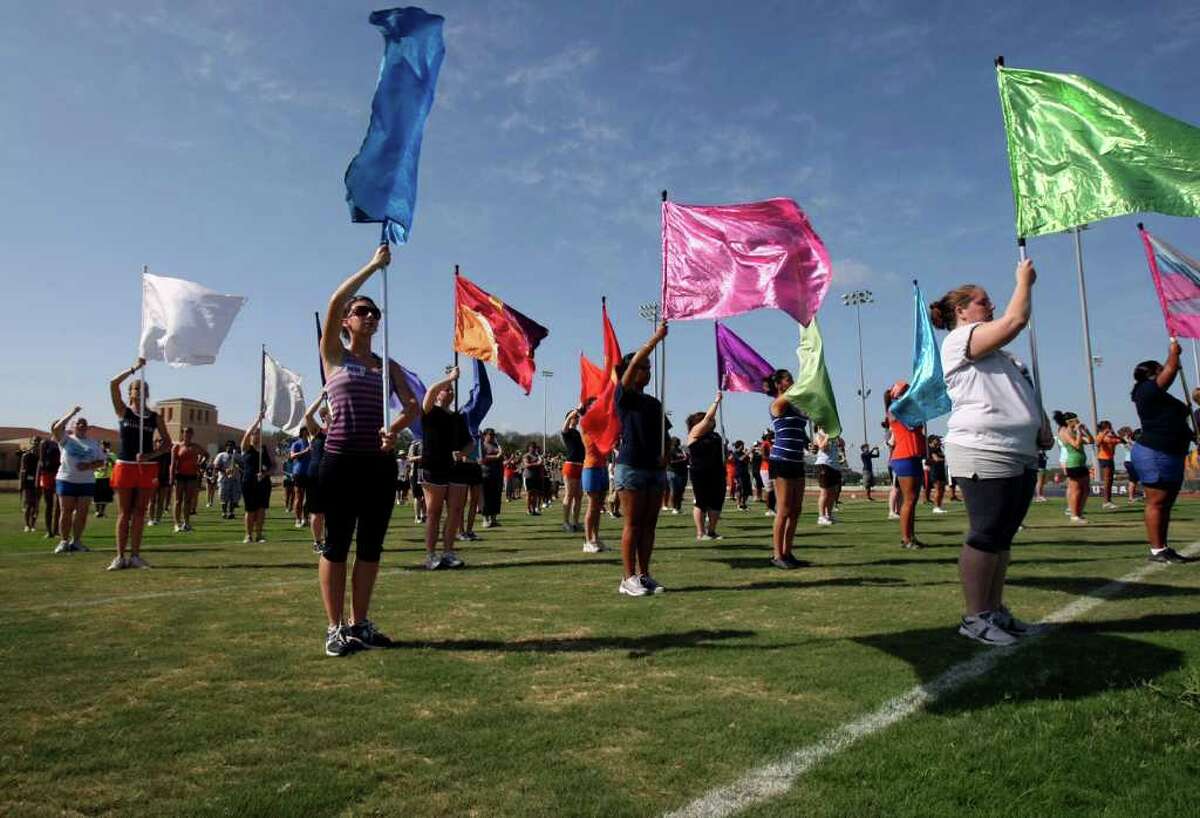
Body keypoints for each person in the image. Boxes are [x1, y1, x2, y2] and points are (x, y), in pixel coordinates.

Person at [931, 258, 1052, 646]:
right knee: (986, 533)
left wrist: (1042, 424)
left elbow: (1022, 393)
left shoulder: (1006, 357)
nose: (992, 306)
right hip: (983, 446)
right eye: (982, 302)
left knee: (1003, 535)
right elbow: (1015, 321)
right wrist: (1024, 281)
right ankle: (975, 616)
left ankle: (994, 610)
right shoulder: (958, 341)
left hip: (1019, 449)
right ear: (960, 311)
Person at [317, 245, 419, 656]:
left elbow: (413, 406)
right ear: (346, 322)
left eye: (375, 312)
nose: (371, 316)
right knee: (337, 544)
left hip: (378, 465)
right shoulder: (334, 355)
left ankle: (360, 623)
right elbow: (335, 300)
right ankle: (334, 627)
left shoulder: (386, 366)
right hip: (339, 461)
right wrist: (374, 266)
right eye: (363, 311)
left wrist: (394, 429)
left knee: (371, 547)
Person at [614, 322, 670, 596]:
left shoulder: (654, 403)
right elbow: (635, 360)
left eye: (649, 369)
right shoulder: (624, 396)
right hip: (631, 466)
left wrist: (666, 457)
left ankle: (645, 574)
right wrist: (655, 339)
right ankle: (628, 578)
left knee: (649, 525)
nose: (647, 372)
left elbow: (667, 436)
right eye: (642, 368)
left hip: (653, 468)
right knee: (633, 524)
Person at [1130, 342, 1196, 564]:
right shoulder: (1145, 390)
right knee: (1157, 502)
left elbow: (1173, 420)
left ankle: (1163, 547)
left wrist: (1191, 435)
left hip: (1172, 452)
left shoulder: (1158, 397)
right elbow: (1169, 373)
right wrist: (1173, 355)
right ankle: (1157, 550)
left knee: (1166, 502)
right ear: (1152, 373)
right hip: (1156, 452)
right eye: (1160, 368)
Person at [108, 358, 171, 570]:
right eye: (136, 388)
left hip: (145, 467)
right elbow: (112, 384)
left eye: (144, 388)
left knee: (140, 512)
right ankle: (119, 556)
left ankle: (135, 556)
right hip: (125, 465)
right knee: (124, 512)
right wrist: (134, 368)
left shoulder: (154, 417)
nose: (140, 390)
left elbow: (168, 444)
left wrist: (151, 455)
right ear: (130, 392)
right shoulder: (123, 411)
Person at [420, 367, 472, 570]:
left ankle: (448, 552)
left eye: (452, 390)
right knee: (434, 511)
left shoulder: (457, 418)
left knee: (456, 511)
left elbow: (468, 443)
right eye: (446, 389)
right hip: (434, 465)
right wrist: (449, 379)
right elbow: (429, 393)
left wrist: (462, 453)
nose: (449, 392)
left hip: (455, 467)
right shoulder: (429, 411)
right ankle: (431, 555)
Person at [764, 368, 809, 569]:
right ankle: (777, 555)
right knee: (783, 509)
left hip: (797, 460)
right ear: (779, 384)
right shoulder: (777, 404)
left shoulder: (797, 405)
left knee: (796, 510)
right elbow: (789, 396)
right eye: (788, 379)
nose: (793, 381)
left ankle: (788, 552)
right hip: (781, 460)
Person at [50, 406, 105, 553]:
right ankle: (63, 541)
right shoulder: (66, 439)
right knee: (66, 511)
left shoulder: (94, 443)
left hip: (86, 481)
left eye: (84, 424)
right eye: (78, 423)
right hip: (66, 479)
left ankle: (77, 541)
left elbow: (101, 461)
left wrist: (88, 465)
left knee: (82, 512)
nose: (81, 426)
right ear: (73, 427)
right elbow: (57, 428)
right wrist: (72, 413)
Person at [885, 384, 927, 548]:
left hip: (913, 456)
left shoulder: (907, 408)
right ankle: (906, 539)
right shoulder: (895, 409)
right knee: (908, 499)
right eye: (906, 391)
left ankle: (911, 536)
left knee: (913, 499)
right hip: (904, 456)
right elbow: (911, 422)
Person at [687, 393, 725, 541]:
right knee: (701, 502)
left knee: (716, 502)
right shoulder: (694, 434)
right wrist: (716, 401)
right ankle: (700, 532)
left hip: (717, 472)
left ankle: (711, 531)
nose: (712, 421)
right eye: (708, 419)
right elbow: (708, 418)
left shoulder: (715, 436)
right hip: (701, 472)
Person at [577, 400, 608, 552]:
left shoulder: (599, 427)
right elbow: (582, 410)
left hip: (601, 467)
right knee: (592, 505)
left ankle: (596, 538)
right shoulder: (585, 425)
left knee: (598, 507)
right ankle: (588, 541)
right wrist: (585, 404)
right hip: (591, 468)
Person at [301, 395, 329, 553]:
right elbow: (307, 416)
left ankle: (329, 540)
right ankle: (317, 542)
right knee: (317, 511)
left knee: (333, 510)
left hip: (335, 473)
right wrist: (321, 397)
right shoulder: (317, 431)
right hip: (317, 473)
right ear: (324, 416)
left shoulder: (341, 430)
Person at [1054, 411, 1093, 524]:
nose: (1077, 421)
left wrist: (1085, 431)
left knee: (1085, 489)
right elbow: (1075, 444)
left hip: (1081, 463)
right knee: (1075, 490)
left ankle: (1079, 513)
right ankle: (1074, 515)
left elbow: (1090, 441)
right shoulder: (1064, 431)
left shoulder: (1074, 431)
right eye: (1074, 420)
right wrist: (1079, 432)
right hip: (1073, 463)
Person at [240, 416, 273, 543]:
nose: (256, 436)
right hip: (249, 482)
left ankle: (259, 534)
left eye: (258, 433)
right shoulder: (246, 448)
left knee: (261, 509)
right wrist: (258, 420)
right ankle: (248, 535)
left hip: (263, 482)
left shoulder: (264, 449)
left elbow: (272, 466)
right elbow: (247, 433)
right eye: (254, 434)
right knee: (250, 509)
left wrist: (265, 474)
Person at [171, 426, 204, 533]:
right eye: (185, 433)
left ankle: (186, 523)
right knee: (178, 500)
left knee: (188, 500)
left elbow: (206, 455)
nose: (187, 435)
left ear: (192, 434)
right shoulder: (177, 447)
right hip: (180, 475)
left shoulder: (196, 447)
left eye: (189, 433)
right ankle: (177, 524)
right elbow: (172, 464)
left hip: (192, 476)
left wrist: (199, 463)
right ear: (182, 434)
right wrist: (171, 478)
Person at [560, 409, 585, 532]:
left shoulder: (576, 432)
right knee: (569, 495)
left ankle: (575, 522)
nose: (577, 419)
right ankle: (565, 522)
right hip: (570, 466)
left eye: (577, 417)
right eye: (575, 417)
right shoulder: (567, 431)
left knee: (579, 495)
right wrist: (571, 414)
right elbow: (563, 427)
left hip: (580, 465)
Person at [35, 435, 61, 539]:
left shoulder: (64, 442)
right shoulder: (45, 443)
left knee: (59, 505)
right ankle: (49, 531)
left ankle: (57, 531)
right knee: (48, 504)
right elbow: (40, 462)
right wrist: (37, 479)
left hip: (60, 474)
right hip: (47, 474)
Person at [812, 429, 838, 526]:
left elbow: (841, 444)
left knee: (832, 493)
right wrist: (827, 436)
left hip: (833, 466)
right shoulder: (819, 434)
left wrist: (837, 438)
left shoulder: (833, 433)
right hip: (824, 464)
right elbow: (822, 447)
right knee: (824, 493)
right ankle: (821, 516)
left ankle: (829, 515)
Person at [480, 428, 504, 529]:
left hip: (497, 474)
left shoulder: (496, 446)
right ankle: (485, 519)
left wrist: (501, 453)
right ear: (485, 435)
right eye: (490, 434)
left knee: (496, 497)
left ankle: (493, 519)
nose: (492, 436)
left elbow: (501, 458)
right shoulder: (482, 445)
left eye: (493, 435)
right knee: (486, 497)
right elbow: (482, 459)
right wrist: (497, 456)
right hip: (486, 474)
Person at [289, 428, 312, 528]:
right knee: (299, 497)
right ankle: (298, 519)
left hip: (311, 473)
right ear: (302, 432)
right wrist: (305, 451)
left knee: (309, 498)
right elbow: (292, 456)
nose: (309, 431)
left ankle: (305, 518)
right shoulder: (297, 443)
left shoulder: (312, 442)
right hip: (299, 473)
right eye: (307, 430)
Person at [1094, 420, 1120, 510]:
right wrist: (1104, 432)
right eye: (1109, 426)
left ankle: (1108, 500)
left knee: (1110, 480)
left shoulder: (1110, 436)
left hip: (1110, 459)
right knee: (1107, 480)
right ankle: (1106, 502)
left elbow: (1120, 440)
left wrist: (1114, 433)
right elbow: (1097, 443)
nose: (1110, 428)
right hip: (1104, 459)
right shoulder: (1101, 435)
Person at [213, 441, 241, 519]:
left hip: (235, 479)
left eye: (232, 445)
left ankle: (231, 512)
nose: (230, 447)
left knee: (233, 496)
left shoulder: (238, 456)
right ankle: (224, 512)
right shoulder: (221, 455)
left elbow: (243, 465)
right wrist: (224, 470)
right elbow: (216, 466)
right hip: (224, 479)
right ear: (226, 447)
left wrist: (238, 465)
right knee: (223, 496)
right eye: (228, 445)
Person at [148, 436, 172, 527]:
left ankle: (158, 519)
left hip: (164, 478)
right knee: (152, 500)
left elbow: (170, 466)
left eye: (163, 442)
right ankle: (151, 519)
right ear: (156, 442)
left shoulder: (168, 454)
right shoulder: (152, 453)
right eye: (160, 441)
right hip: (153, 479)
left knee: (161, 500)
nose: (161, 443)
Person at [19, 440, 40, 532]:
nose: (36, 443)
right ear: (32, 443)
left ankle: (33, 525)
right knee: (28, 504)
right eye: (35, 441)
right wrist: (21, 484)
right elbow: (22, 470)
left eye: (38, 441)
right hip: (28, 482)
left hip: (39, 482)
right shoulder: (26, 456)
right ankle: (27, 525)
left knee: (36, 505)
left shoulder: (41, 456)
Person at [666, 437, 689, 515]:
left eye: (678, 441)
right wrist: (682, 460)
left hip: (682, 473)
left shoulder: (681, 450)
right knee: (674, 491)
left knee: (680, 492)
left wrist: (686, 458)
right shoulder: (670, 451)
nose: (678, 442)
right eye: (676, 441)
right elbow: (671, 462)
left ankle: (679, 507)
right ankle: (674, 508)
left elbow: (687, 459)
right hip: (673, 473)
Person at [93, 440, 116, 518]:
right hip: (97, 476)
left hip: (107, 477)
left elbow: (115, 465)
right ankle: (97, 511)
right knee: (96, 495)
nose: (104, 447)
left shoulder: (112, 455)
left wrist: (109, 459)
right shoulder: (96, 454)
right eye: (102, 445)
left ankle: (102, 511)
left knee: (105, 496)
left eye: (106, 445)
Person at [927, 434, 949, 514]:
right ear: (932, 441)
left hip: (941, 470)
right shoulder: (931, 449)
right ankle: (936, 507)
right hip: (935, 471)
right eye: (937, 439)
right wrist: (946, 459)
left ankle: (939, 505)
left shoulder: (939, 449)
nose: (939, 441)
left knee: (942, 489)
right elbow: (936, 459)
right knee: (938, 489)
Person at [1119, 426, 1141, 502]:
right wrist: (1127, 439)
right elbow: (1132, 448)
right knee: (1133, 480)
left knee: (1133, 480)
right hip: (1130, 462)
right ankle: (1131, 498)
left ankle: (1132, 497)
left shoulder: (1131, 440)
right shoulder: (1124, 442)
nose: (1131, 432)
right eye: (1129, 431)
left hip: (1132, 462)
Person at [407, 437, 426, 523]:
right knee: (417, 496)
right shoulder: (414, 444)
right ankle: (417, 516)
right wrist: (421, 457)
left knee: (426, 496)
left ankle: (424, 514)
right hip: (416, 472)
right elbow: (410, 458)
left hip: (426, 471)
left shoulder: (428, 442)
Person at [522, 442, 544, 515]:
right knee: (529, 494)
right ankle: (528, 509)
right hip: (528, 477)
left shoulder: (538, 456)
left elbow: (541, 464)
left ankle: (534, 510)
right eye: (532, 447)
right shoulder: (526, 456)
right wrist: (537, 464)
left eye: (534, 447)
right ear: (529, 448)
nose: (533, 449)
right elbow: (526, 465)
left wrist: (539, 462)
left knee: (535, 495)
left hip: (536, 477)